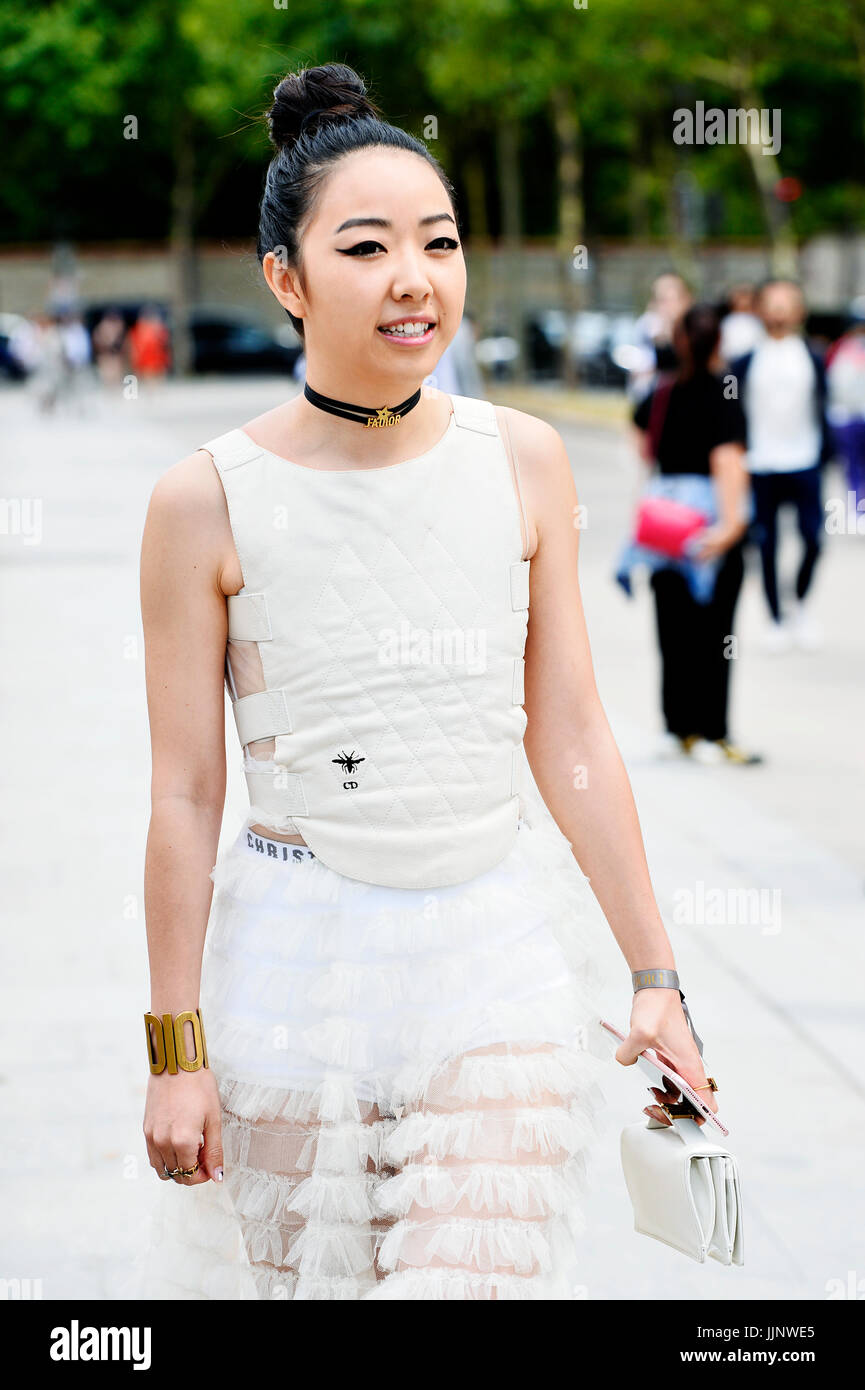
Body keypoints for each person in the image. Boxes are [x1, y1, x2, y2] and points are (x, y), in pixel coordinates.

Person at [135, 62, 719, 1302]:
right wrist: (173, 1046)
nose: (416, 277)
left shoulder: (523, 459)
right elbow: (185, 795)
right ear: (283, 278)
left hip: (491, 953)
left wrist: (654, 975)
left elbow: (568, 733)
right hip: (288, 968)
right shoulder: (204, 499)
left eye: (440, 241)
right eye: (366, 247)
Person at [628, 305, 759, 766]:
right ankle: (712, 732)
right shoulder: (727, 390)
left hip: (666, 529)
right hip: (709, 526)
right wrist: (730, 527)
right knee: (716, 632)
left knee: (671, 628)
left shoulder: (663, 392)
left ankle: (675, 728)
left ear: (678, 342)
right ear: (719, 342)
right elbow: (727, 461)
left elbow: (640, 435)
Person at [730, 279, 833, 652]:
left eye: (787, 302)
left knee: (813, 540)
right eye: (772, 303)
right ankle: (774, 618)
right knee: (767, 544)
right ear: (758, 309)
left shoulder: (814, 357)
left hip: (805, 462)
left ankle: (800, 603)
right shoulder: (743, 364)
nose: (779, 310)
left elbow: (825, 406)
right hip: (761, 465)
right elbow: (732, 412)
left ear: (799, 310)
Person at [825, 297, 865, 517]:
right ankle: (858, 509)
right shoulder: (841, 348)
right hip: (846, 418)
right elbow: (834, 383)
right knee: (852, 466)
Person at [718, 283, 765, 365]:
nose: (743, 301)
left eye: (746, 297)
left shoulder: (757, 321)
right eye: (741, 297)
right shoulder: (728, 322)